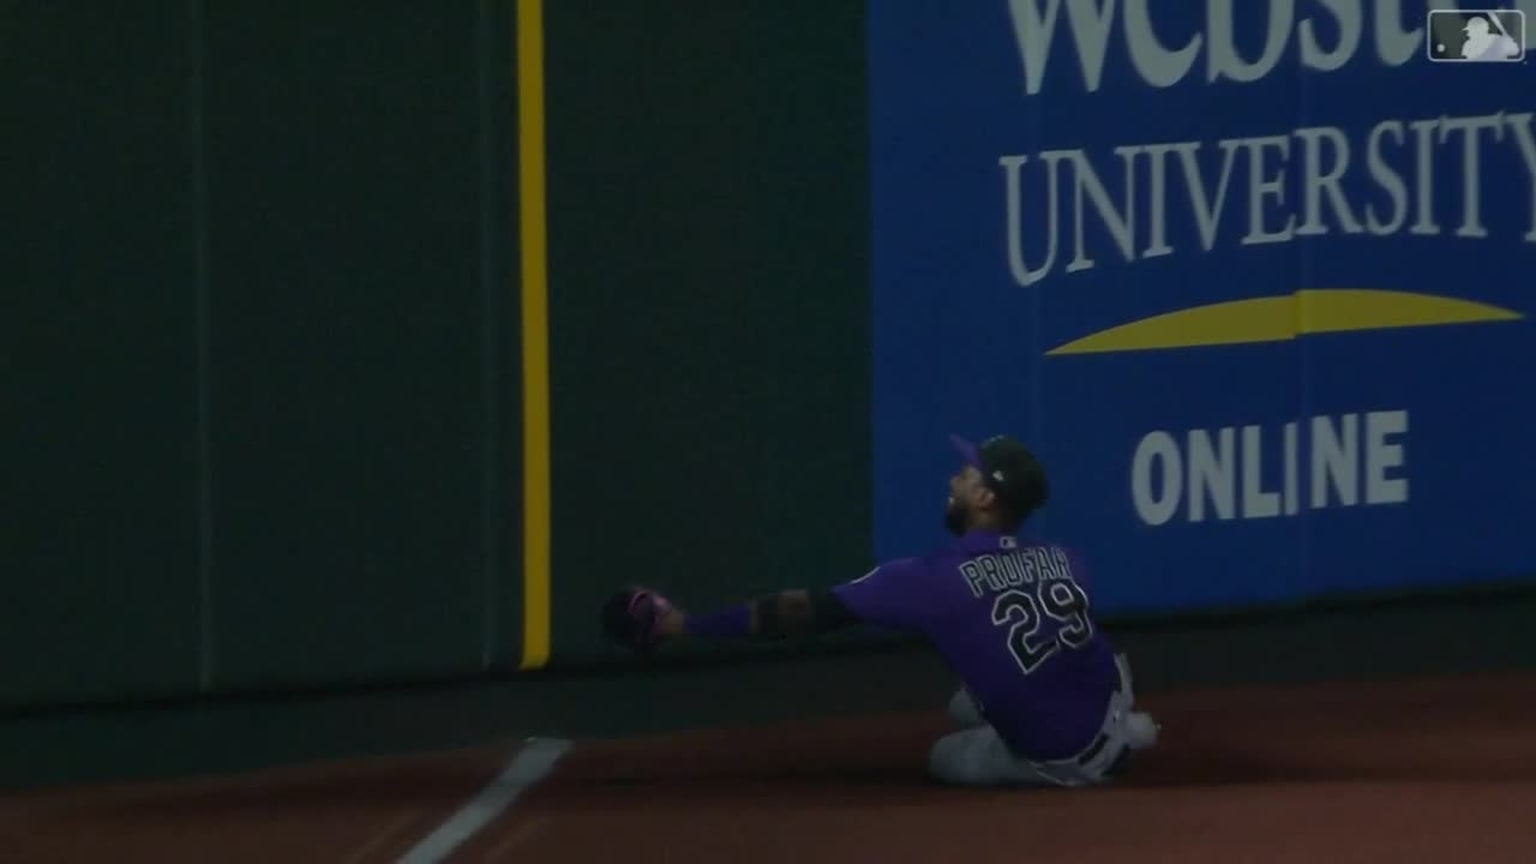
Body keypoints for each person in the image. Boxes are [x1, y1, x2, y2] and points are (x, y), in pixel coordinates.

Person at [601, 433, 1159, 787]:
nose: (955, 479)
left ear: (986, 499)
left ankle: (1092, 756)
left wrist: (684, 625)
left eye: (967, 475)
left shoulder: (929, 581)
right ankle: (1129, 731)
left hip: (1063, 758)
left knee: (947, 754)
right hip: (1112, 702)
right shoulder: (1067, 559)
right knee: (973, 700)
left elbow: (797, 614)